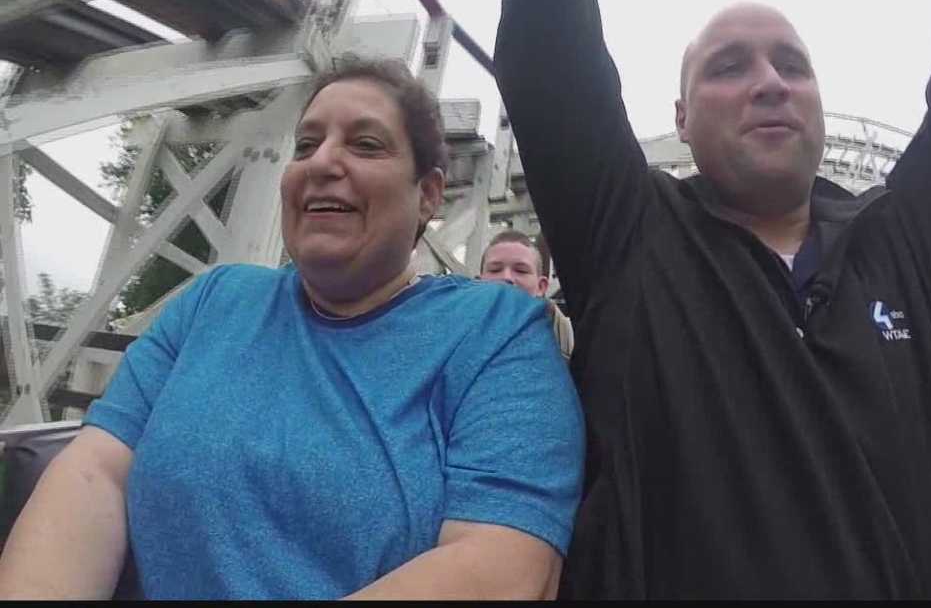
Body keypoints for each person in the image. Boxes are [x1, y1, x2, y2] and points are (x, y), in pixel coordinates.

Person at [494, 0, 931, 599]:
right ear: (681, 119)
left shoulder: (907, 242)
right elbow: (546, 46)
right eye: (728, 67)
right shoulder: (629, 237)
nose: (769, 83)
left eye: (793, 65)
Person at [0, 57, 585, 600]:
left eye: (365, 143)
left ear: (428, 194)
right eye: (307, 144)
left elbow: (503, 562)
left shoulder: (496, 332)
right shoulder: (213, 302)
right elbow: (94, 472)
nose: (324, 162)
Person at [479, 230, 574, 357]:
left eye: (520, 270)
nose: (507, 277)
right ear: (478, 283)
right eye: (495, 270)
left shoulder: (570, 338)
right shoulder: (452, 335)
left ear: (541, 286)